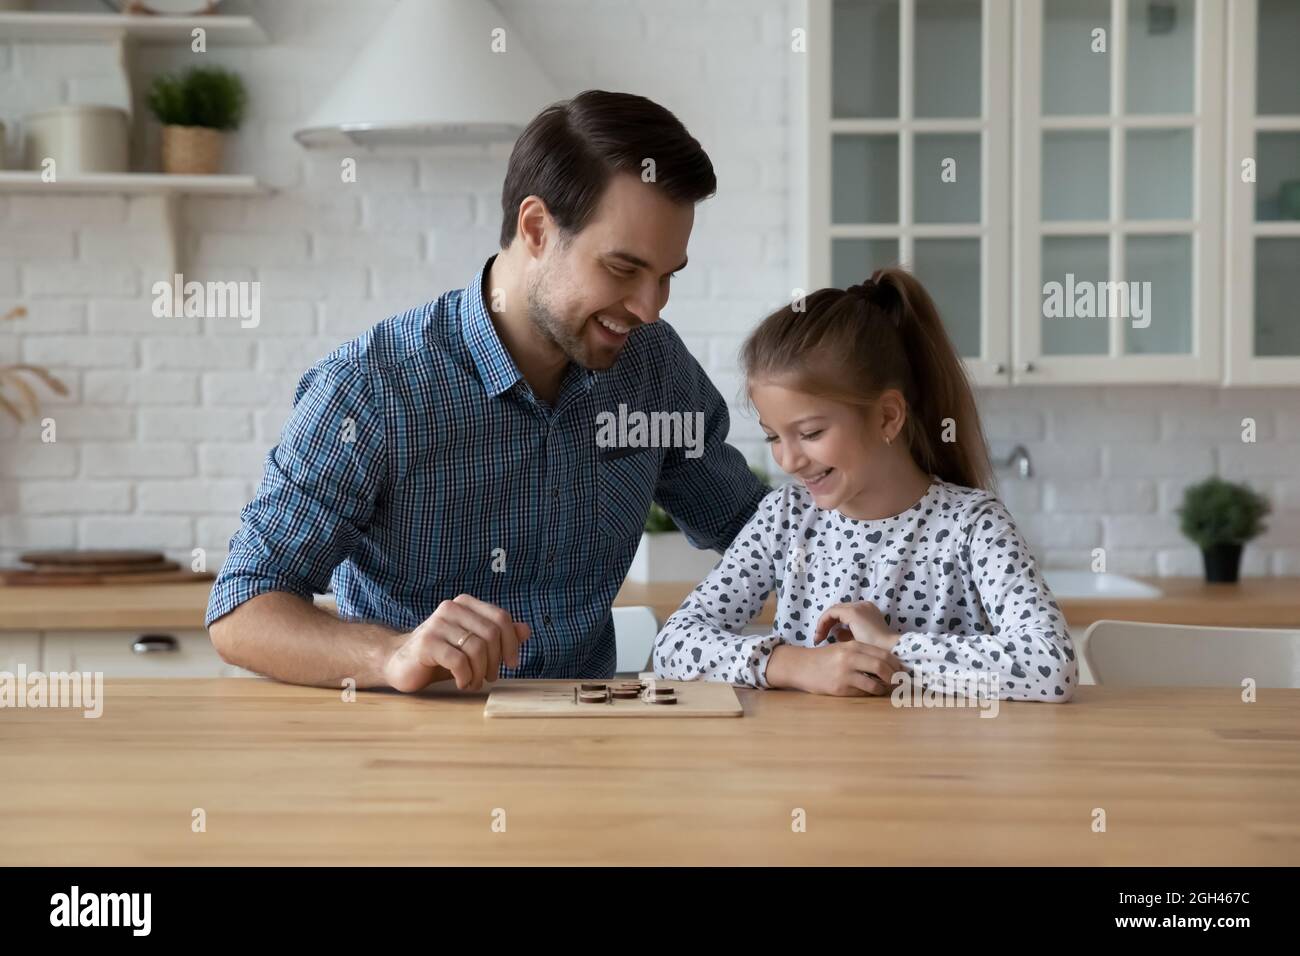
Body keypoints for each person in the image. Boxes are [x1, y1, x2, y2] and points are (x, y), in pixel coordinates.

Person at [207, 90, 767, 693]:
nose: (649, 309)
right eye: (623, 269)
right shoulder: (373, 389)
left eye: (666, 277)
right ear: (536, 228)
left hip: (594, 744)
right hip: (414, 752)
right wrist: (391, 655)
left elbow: (759, 531)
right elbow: (243, 609)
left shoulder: (652, 370)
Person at [653, 269, 1077, 702]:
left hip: (943, 767)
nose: (788, 459)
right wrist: (794, 665)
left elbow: (1051, 664)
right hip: (809, 764)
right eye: (773, 436)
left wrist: (892, 649)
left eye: (811, 433)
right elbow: (674, 645)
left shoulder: (972, 525)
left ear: (888, 417)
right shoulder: (786, 517)